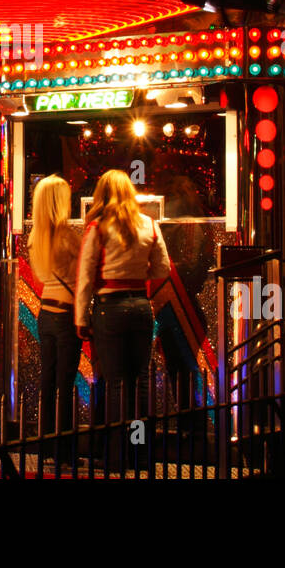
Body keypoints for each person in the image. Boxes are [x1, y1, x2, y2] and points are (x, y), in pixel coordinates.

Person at [75, 169, 170, 429]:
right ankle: (139, 451)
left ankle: (117, 454)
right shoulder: (149, 224)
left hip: (109, 308)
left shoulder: (98, 227)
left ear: (102, 195)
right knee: (140, 379)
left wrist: (81, 318)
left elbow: (84, 275)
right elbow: (163, 269)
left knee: (116, 382)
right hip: (141, 305)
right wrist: (140, 274)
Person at [28, 175, 81, 454]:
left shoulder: (35, 236)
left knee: (47, 381)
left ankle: (46, 446)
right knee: (64, 383)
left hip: (44, 313)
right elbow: (85, 274)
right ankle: (63, 449)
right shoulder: (67, 236)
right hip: (65, 313)